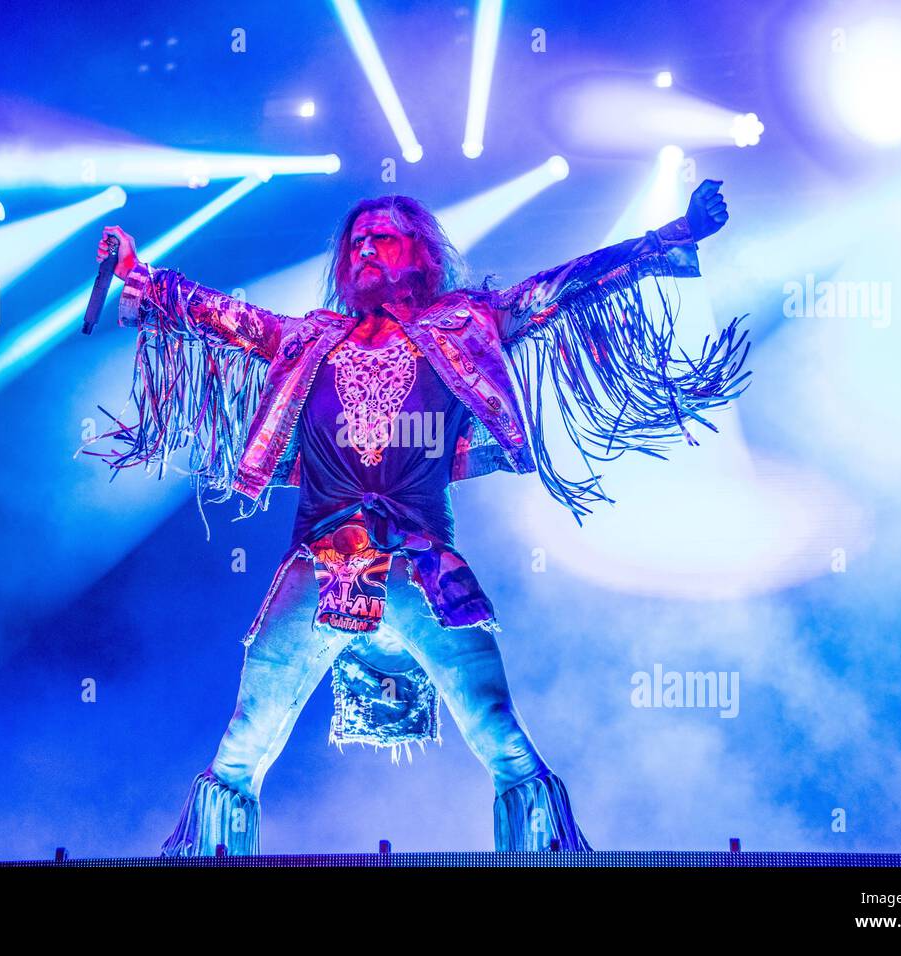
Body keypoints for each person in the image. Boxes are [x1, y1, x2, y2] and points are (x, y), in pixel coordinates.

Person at [88, 180, 746, 855]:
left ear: (421, 256)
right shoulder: (308, 340)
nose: (367, 248)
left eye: (384, 237)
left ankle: (549, 857)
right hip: (318, 563)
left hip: (423, 564)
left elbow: (557, 290)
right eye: (356, 242)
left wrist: (669, 237)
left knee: (498, 729)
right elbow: (225, 317)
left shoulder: (464, 327)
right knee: (246, 735)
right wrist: (142, 276)